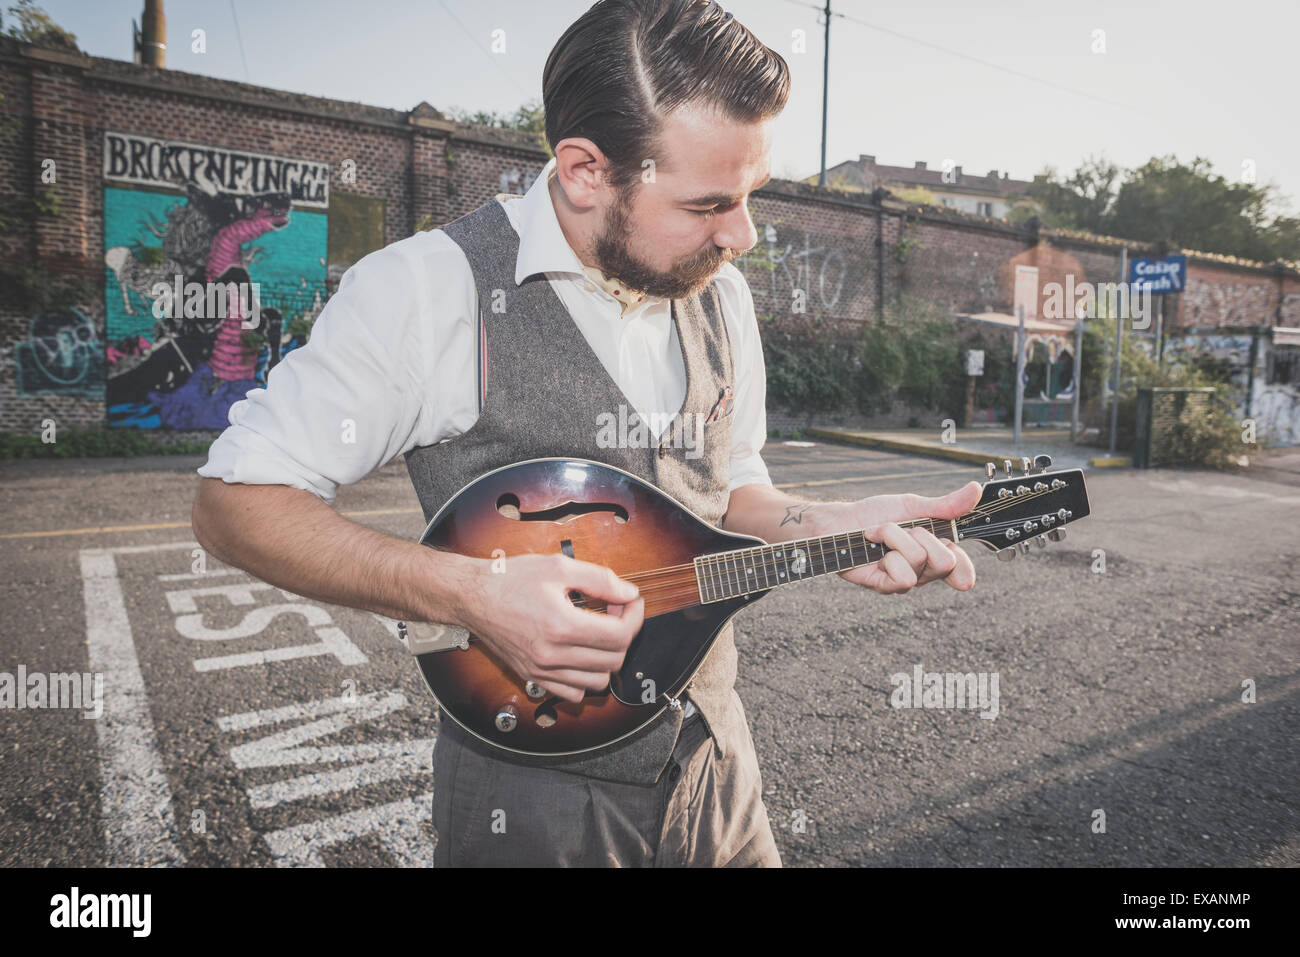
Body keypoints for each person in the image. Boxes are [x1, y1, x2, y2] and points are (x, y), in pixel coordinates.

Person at [191, 0, 980, 867]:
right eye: (709, 203)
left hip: (719, 772)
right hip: (531, 809)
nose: (743, 235)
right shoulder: (426, 291)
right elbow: (235, 503)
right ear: (583, 172)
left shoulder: (723, 295)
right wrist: (471, 595)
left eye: (753, 195)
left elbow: (731, 484)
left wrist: (825, 523)